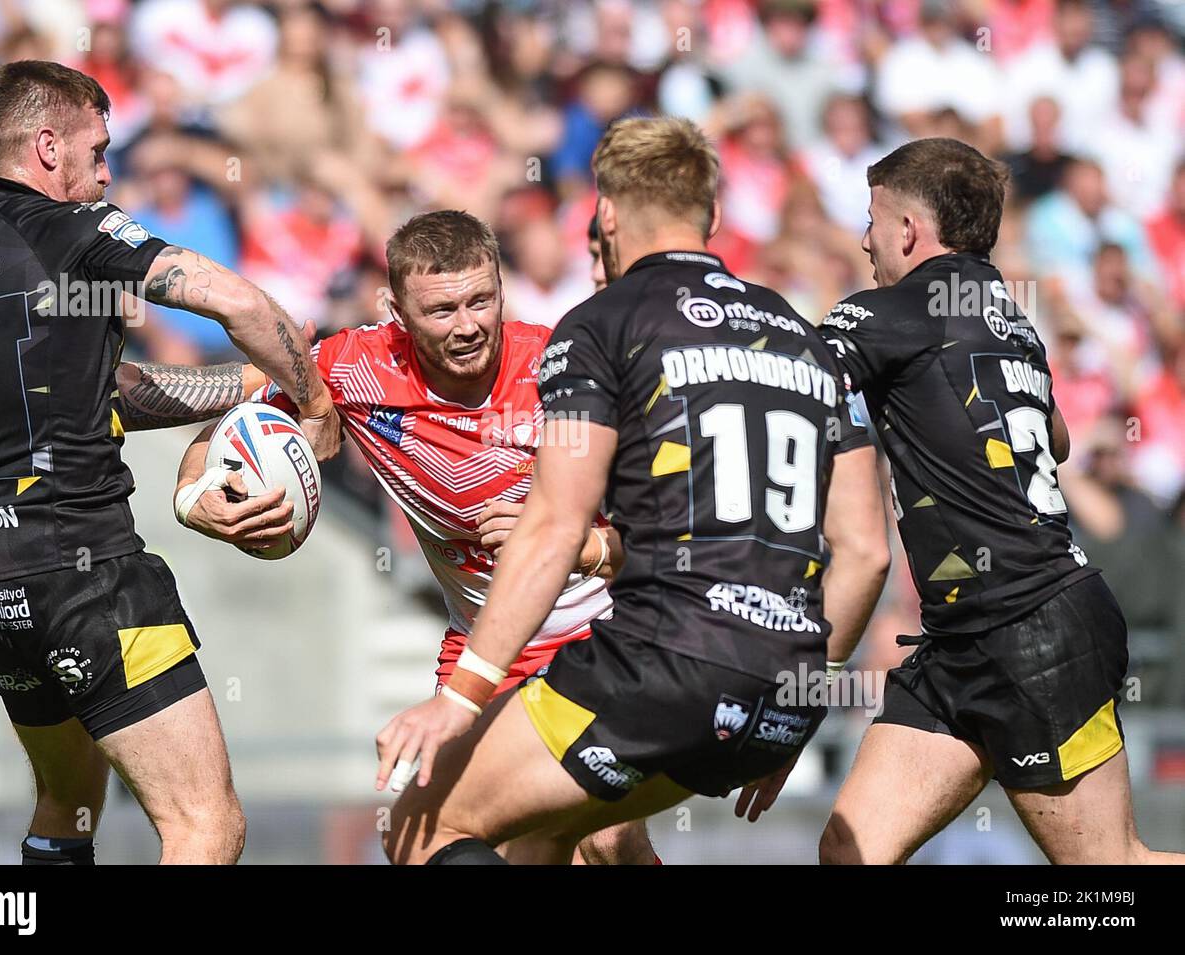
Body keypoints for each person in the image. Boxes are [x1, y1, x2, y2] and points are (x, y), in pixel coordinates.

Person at [374, 116, 889, 864]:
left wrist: (457, 699)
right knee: (559, 833)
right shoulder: (804, 335)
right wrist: (803, 701)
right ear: (710, 214)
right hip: (785, 685)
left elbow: (553, 525)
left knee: (424, 828)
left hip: (665, 668)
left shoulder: (599, 327)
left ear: (606, 214)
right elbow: (867, 552)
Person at [0, 60, 339, 865]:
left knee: (69, 804)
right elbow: (237, 301)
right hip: (83, 569)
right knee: (204, 824)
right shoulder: (67, 228)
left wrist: (250, 384)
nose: (109, 172)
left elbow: (110, 392)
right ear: (47, 146)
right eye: (99, 149)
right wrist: (315, 402)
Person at [175, 209, 660, 865]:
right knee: (413, 835)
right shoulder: (356, 369)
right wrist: (192, 497)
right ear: (397, 313)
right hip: (484, 647)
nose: (468, 326)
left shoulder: (566, 367)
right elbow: (232, 427)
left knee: (601, 837)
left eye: (481, 300)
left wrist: (569, 534)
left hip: (599, 634)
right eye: (442, 310)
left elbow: (667, 531)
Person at [817, 136, 1183, 865]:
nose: (865, 239)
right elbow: (1059, 438)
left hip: (1035, 630)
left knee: (1111, 874)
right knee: (850, 851)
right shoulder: (1009, 317)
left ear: (909, 231)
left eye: (873, 219)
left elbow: (773, 379)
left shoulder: (895, 312)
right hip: (963, 638)